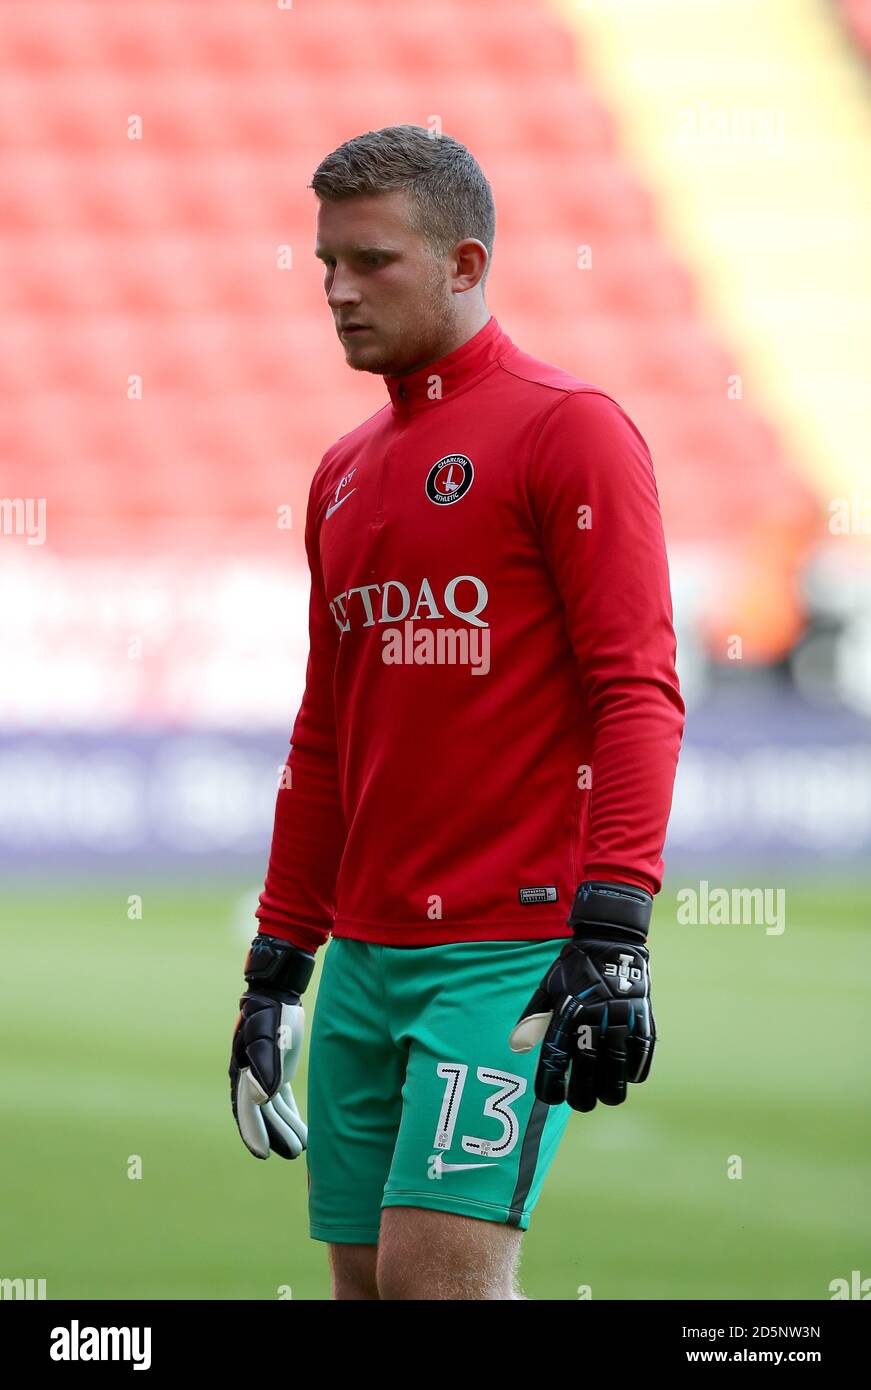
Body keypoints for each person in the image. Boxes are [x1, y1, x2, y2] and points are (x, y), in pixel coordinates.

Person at [229, 125, 685, 1301]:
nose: (337, 290)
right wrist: (278, 962)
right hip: (365, 958)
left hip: (507, 954)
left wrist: (614, 930)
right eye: (326, 263)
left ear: (465, 263)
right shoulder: (341, 471)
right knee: (367, 1291)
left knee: (440, 1288)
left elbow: (636, 689)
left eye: (371, 261)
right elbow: (325, 733)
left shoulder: (569, 428)